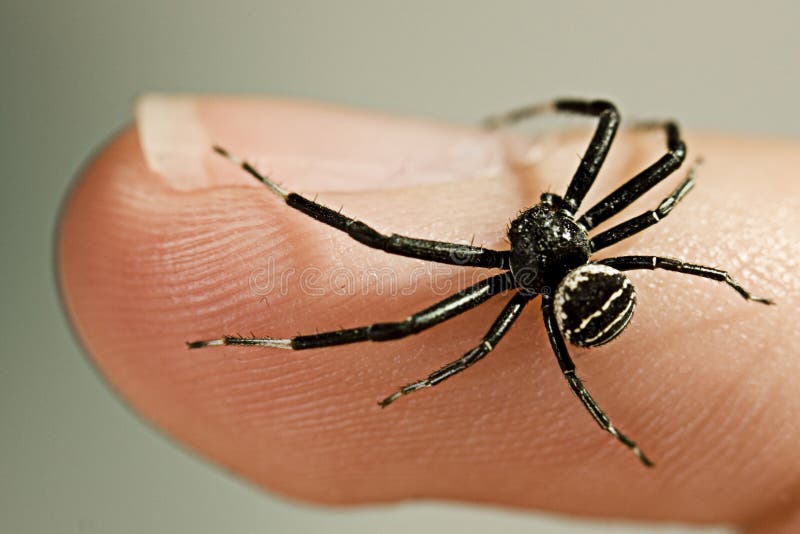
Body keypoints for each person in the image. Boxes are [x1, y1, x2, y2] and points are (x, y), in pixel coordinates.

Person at [57, 95, 799, 533]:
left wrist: (675, 153)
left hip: (571, 288)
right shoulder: (559, 251)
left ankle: (270, 290)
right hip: (583, 276)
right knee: (393, 271)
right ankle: (268, 252)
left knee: (401, 286)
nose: (534, 221)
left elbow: (489, 346)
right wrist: (677, 151)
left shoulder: (516, 287)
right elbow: (660, 190)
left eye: (540, 223)